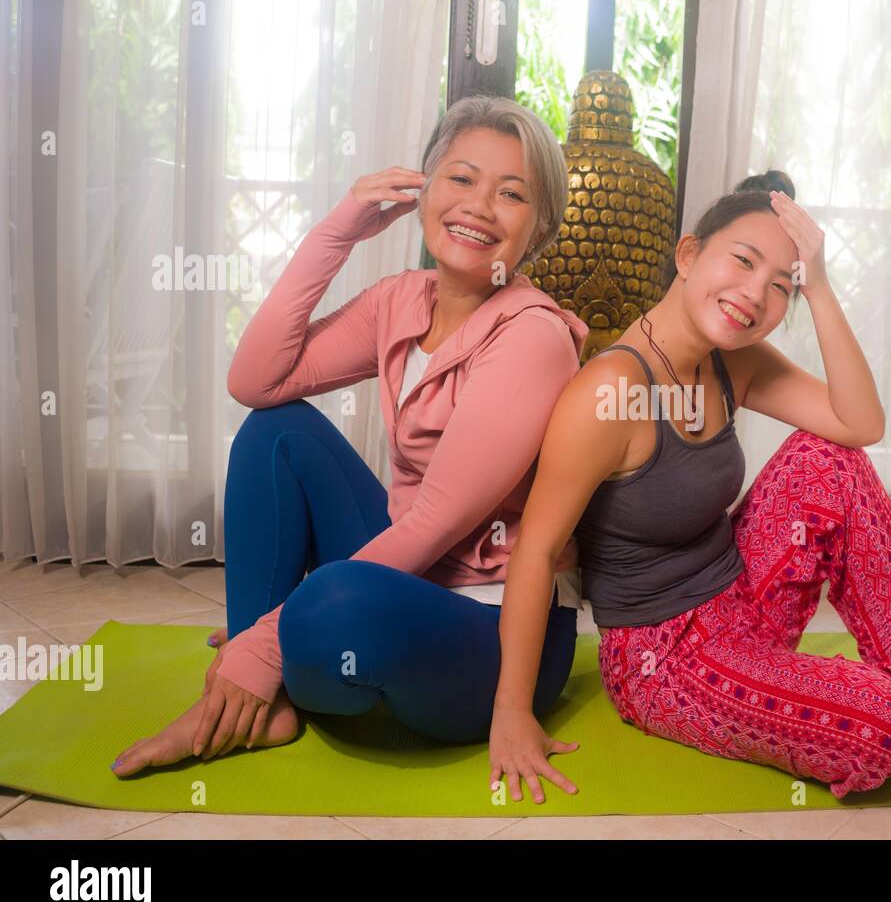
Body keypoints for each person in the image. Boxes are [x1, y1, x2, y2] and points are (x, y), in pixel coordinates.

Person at [488, 170, 891, 804]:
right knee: (888, 725)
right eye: (741, 261)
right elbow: (536, 551)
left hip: (743, 595)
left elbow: (860, 424)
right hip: (665, 657)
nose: (753, 296)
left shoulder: (731, 360)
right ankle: (864, 691)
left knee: (831, 458)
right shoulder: (611, 394)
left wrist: (820, 289)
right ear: (689, 255)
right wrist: (511, 713)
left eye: (780, 286)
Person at [112, 96, 587, 777]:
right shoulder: (404, 300)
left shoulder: (533, 337)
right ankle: (267, 694)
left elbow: (431, 522)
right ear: (423, 186)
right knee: (274, 432)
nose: (480, 204)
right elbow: (256, 381)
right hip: (408, 574)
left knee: (331, 613)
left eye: (511, 193)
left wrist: (270, 641)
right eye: (461, 178)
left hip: (498, 627)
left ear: (538, 229)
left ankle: (271, 652)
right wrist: (340, 230)